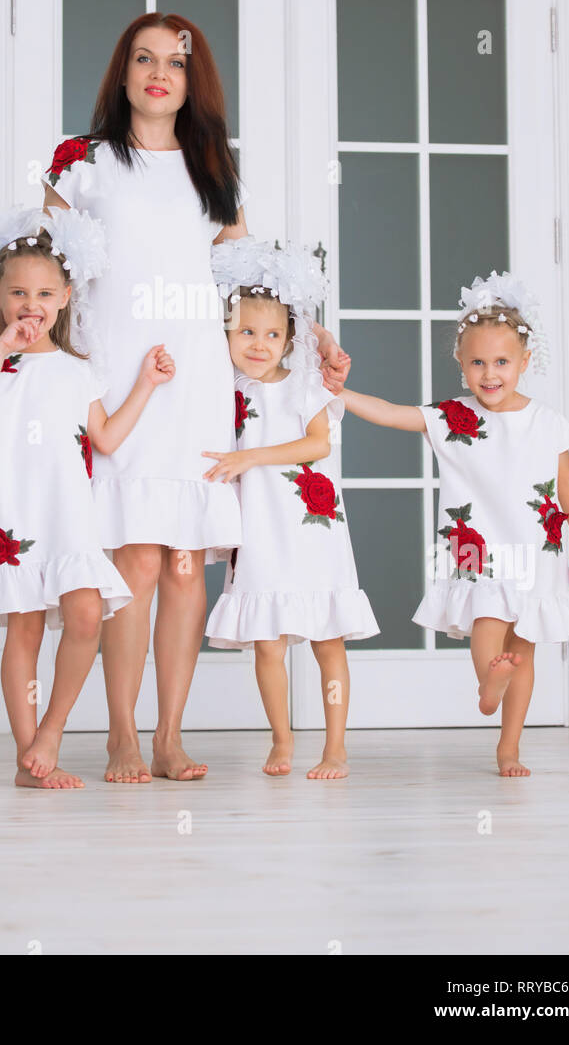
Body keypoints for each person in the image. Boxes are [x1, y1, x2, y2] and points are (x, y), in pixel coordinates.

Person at [0, 12, 350, 782]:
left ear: (191, 80)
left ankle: (169, 735)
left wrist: (316, 336)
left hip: (196, 379)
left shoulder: (213, 169)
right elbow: (38, 268)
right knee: (134, 557)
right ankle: (121, 736)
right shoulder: (82, 163)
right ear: (121, 70)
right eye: (142, 58)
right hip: (116, 375)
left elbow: (253, 275)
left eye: (174, 63)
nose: (157, 73)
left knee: (181, 563)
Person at [0, 205, 174, 788]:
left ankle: (51, 731)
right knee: (23, 630)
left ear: (67, 296)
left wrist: (145, 386)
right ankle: (28, 759)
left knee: (86, 615)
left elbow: (106, 438)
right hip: (13, 515)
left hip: (68, 517)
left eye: (45, 293)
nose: (32, 304)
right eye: (18, 292)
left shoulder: (79, 369)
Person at [340, 270, 569, 777]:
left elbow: (567, 488)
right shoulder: (453, 416)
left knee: (523, 648)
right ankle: (488, 687)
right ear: (461, 364)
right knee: (487, 621)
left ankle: (509, 746)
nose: (489, 373)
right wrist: (342, 396)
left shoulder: (547, 422)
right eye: (477, 362)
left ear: (525, 362)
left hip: (535, 547)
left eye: (501, 362)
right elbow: (393, 413)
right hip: (473, 546)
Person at [202, 237, 378, 778]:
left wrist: (252, 457)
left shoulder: (305, 385)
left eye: (273, 334)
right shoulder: (221, 386)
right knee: (267, 643)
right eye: (246, 331)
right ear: (227, 333)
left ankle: (335, 746)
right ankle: (281, 741)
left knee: (327, 638)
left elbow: (317, 445)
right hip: (259, 529)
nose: (259, 344)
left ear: (289, 339)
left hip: (310, 530)